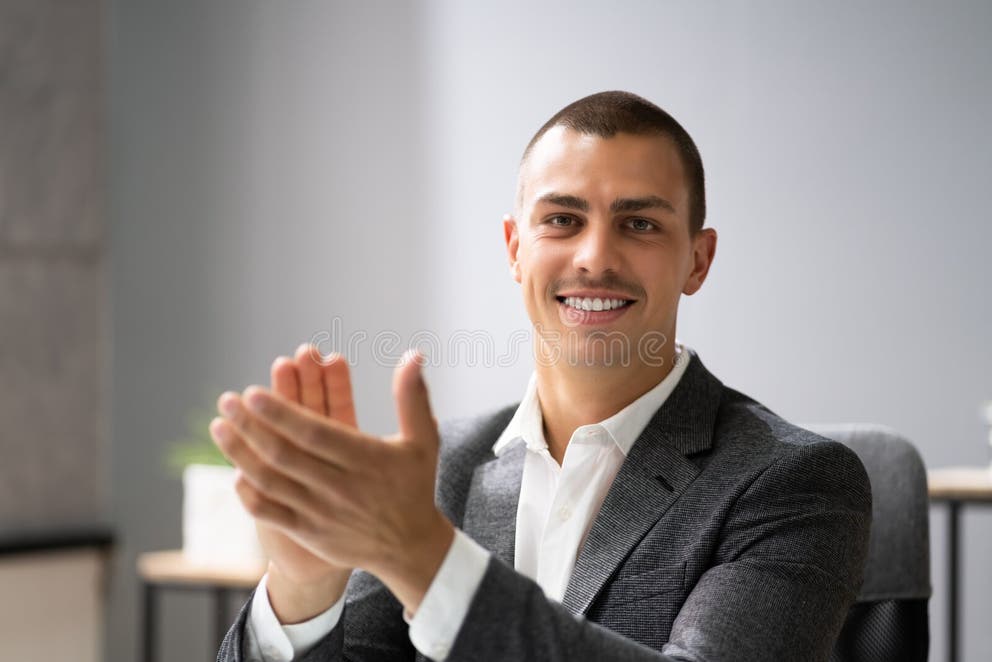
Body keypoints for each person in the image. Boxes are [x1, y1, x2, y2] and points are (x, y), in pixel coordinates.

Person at [211, 91, 872, 661]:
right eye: (562, 220)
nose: (594, 256)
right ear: (514, 248)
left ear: (698, 261)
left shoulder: (795, 482)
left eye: (639, 223)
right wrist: (302, 590)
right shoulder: (443, 466)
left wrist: (430, 564)